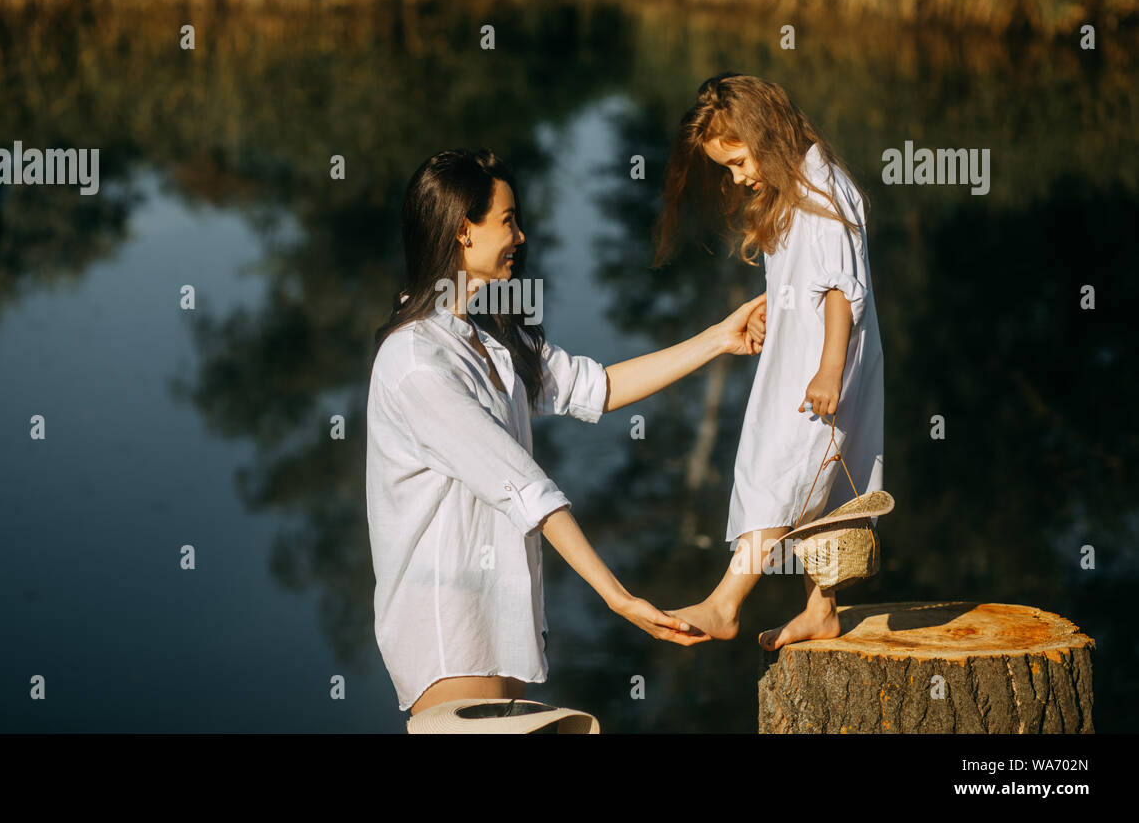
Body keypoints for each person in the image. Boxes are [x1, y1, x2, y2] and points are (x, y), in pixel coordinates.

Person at [366, 148, 767, 718]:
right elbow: (525, 487)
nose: (520, 234)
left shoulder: (487, 338)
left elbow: (595, 388)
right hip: (444, 633)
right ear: (462, 232)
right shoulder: (417, 363)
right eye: (507, 220)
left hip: (501, 627)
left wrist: (719, 340)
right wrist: (619, 598)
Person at [652, 73, 885, 650]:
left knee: (781, 473)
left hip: (822, 367)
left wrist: (830, 367)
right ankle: (821, 609)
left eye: (738, 161)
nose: (738, 177)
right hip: (802, 359)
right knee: (816, 486)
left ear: (767, 134)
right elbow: (801, 284)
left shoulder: (821, 186)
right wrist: (768, 315)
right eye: (726, 169)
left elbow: (838, 290)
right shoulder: (795, 186)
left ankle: (725, 603)